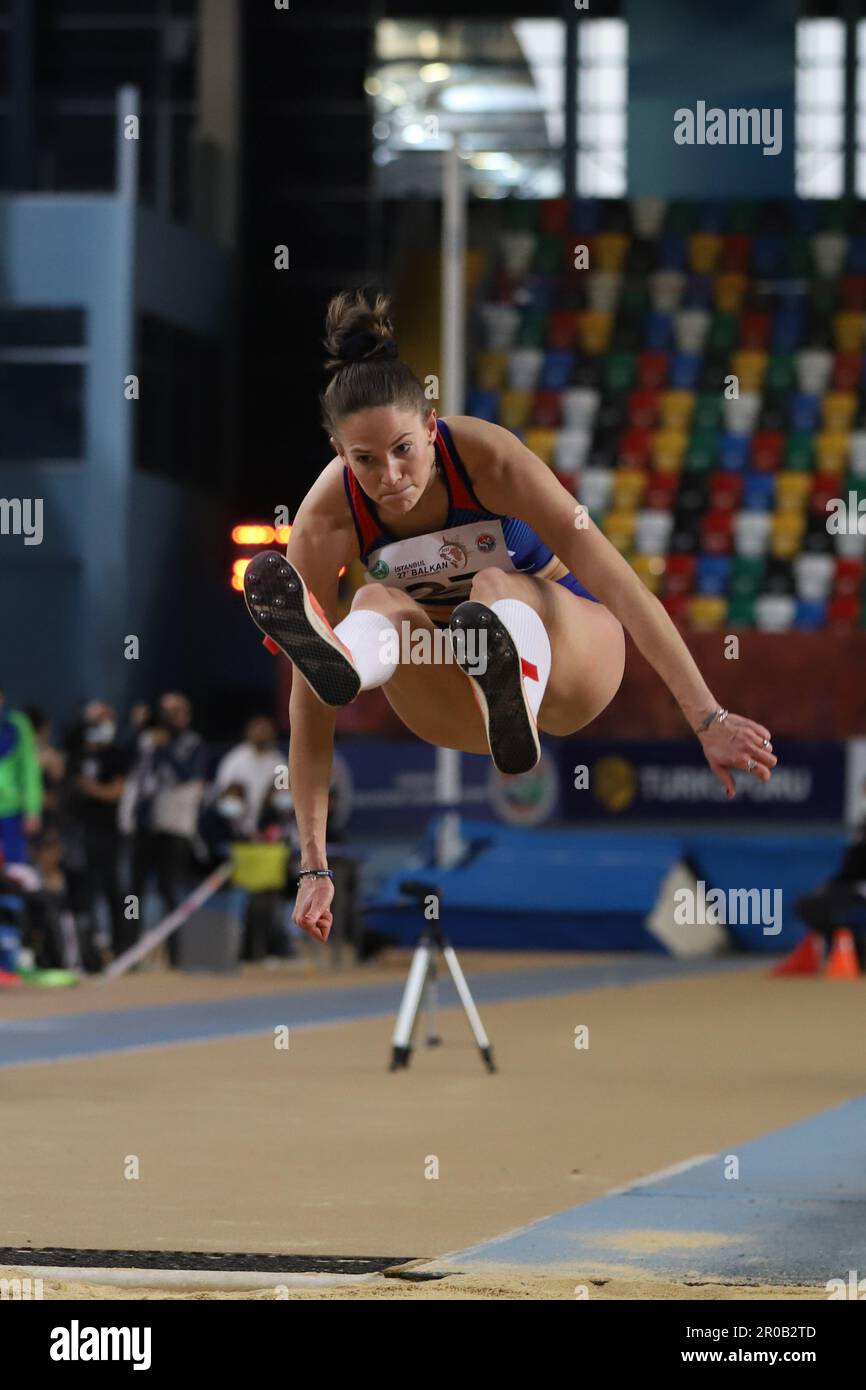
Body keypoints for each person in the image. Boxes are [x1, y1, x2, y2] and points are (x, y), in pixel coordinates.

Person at [243, 289, 778, 944]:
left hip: (573, 657)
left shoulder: (490, 459)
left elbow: (619, 583)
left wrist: (708, 716)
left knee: (496, 586)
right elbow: (308, 708)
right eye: (364, 460)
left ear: (433, 425)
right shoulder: (326, 516)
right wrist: (313, 863)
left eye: (405, 449)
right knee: (372, 603)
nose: (390, 477)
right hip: (451, 690)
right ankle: (355, 661)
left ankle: (511, 681)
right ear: (337, 448)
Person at [124, 692, 207, 964]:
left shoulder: (192, 743)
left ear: (186, 715)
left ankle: (176, 953)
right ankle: (129, 948)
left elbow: (185, 774)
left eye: (176, 712)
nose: (170, 717)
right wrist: (139, 730)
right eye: (165, 711)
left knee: (169, 889)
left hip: (175, 825)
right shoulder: (148, 739)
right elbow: (132, 769)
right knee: (134, 890)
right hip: (145, 822)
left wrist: (165, 748)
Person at [64, 700, 130, 959]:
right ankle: (86, 950)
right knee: (83, 891)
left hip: (108, 833)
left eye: (105, 721)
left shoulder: (116, 755)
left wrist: (91, 788)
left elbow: (116, 791)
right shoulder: (77, 755)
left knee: (115, 890)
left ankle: (122, 947)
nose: (100, 726)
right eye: (94, 722)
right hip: (78, 834)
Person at [211, 715, 284, 838]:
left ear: (273, 733)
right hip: (236, 824)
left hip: (268, 825)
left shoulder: (278, 762)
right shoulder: (234, 759)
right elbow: (222, 792)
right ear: (249, 732)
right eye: (258, 730)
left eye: (265, 730)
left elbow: (285, 797)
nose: (261, 734)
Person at [0, 689, 42, 864]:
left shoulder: (17, 724)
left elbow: (30, 769)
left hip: (12, 811)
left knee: (14, 869)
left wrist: (32, 809)